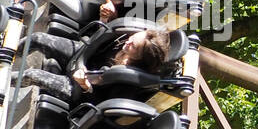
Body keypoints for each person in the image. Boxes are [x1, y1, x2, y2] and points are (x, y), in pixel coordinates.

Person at [21, 27, 172, 102]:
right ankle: (6, 53)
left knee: (32, 75)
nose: (128, 42)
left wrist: (86, 86)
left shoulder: (128, 81)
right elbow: (95, 44)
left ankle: (4, 78)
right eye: (133, 38)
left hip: (78, 89)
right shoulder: (123, 39)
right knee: (37, 38)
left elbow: (100, 102)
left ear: (141, 57)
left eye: (134, 47)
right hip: (82, 57)